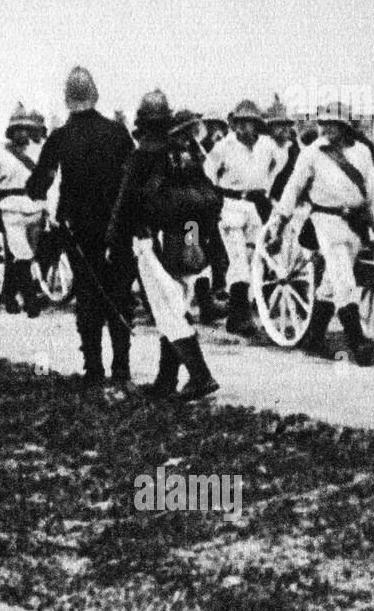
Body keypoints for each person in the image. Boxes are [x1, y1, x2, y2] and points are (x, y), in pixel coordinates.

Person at [27, 66, 137, 393]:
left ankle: (93, 368)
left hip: (79, 230)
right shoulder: (118, 133)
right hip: (117, 228)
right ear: (95, 95)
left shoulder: (60, 137)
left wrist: (33, 187)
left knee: (88, 296)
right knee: (118, 294)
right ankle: (121, 369)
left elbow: (39, 185)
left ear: (67, 100)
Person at [107, 90, 221, 401]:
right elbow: (207, 197)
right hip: (188, 231)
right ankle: (166, 379)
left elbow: (124, 202)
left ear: (141, 124)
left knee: (166, 308)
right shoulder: (185, 153)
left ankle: (200, 376)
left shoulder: (141, 155)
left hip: (151, 238)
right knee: (177, 303)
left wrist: (113, 239)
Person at [269, 102, 374, 365]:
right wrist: (279, 219)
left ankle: (314, 336)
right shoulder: (311, 153)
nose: (327, 129)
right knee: (343, 278)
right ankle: (358, 342)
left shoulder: (362, 153)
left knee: (330, 282)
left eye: (333, 124)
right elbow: (292, 188)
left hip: (355, 223)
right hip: (324, 220)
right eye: (324, 124)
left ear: (345, 127)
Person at [203, 99, 278, 336]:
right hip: (231, 205)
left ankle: (242, 309)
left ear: (257, 125)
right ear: (234, 124)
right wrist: (217, 197)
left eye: (251, 123)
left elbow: (282, 163)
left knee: (252, 258)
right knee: (237, 261)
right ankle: (238, 318)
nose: (245, 128)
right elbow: (208, 172)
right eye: (241, 123)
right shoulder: (224, 146)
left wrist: (267, 185)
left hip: (255, 206)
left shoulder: (267, 146)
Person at [0, 103, 46, 316]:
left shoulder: (38, 151)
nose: (22, 133)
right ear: (11, 132)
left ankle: (8, 294)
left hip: (36, 209)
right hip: (11, 211)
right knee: (21, 255)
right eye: (18, 129)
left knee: (28, 255)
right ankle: (31, 303)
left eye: (25, 129)